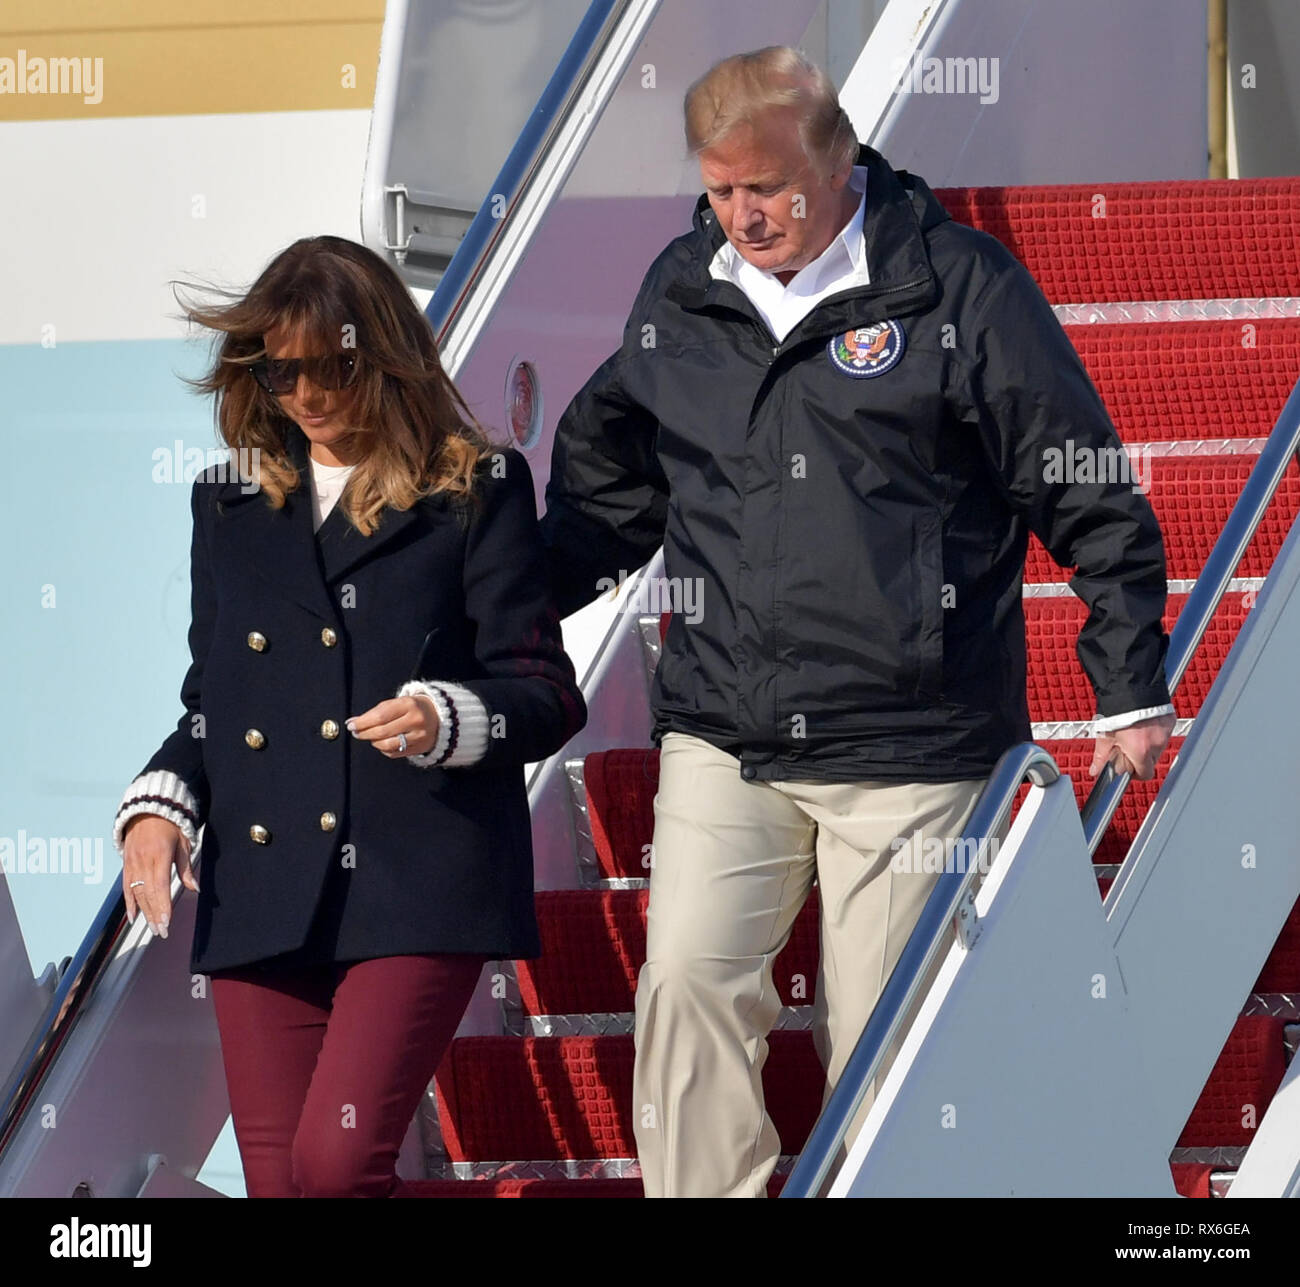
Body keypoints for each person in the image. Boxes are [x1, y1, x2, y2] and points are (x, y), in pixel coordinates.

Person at [538, 46, 1176, 1197]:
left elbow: (1080, 481)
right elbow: (605, 491)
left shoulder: (958, 285)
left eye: (765, 188)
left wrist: (1125, 679)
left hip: (910, 739)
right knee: (682, 984)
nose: (741, 216)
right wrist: (501, 610)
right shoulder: (682, 293)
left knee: (885, 1037)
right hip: (727, 726)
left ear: (836, 159)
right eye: (720, 190)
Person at [112, 235, 587, 1198]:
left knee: (333, 1170)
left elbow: (544, 691)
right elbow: (215, 699)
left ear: (384, 355)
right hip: (263, 887)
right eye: (281, 371)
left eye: (334, 365)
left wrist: (443, 716)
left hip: (417, 876)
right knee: (282, 1184)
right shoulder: (227, 506)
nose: (308, 393)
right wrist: (161, 803)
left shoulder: (476, 490)